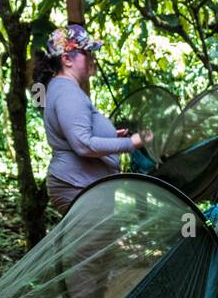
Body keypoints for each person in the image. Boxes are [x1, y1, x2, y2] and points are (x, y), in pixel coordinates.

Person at [34, 25, 152, 214]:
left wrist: (110, 135)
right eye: (87, 52)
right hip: (77, 186)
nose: (92, 58)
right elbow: (83, 145)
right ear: (66, 59)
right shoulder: (67, 93)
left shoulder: (63, 88)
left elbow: (73, 133)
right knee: (98, 242)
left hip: (84, 186)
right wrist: (131, 142)